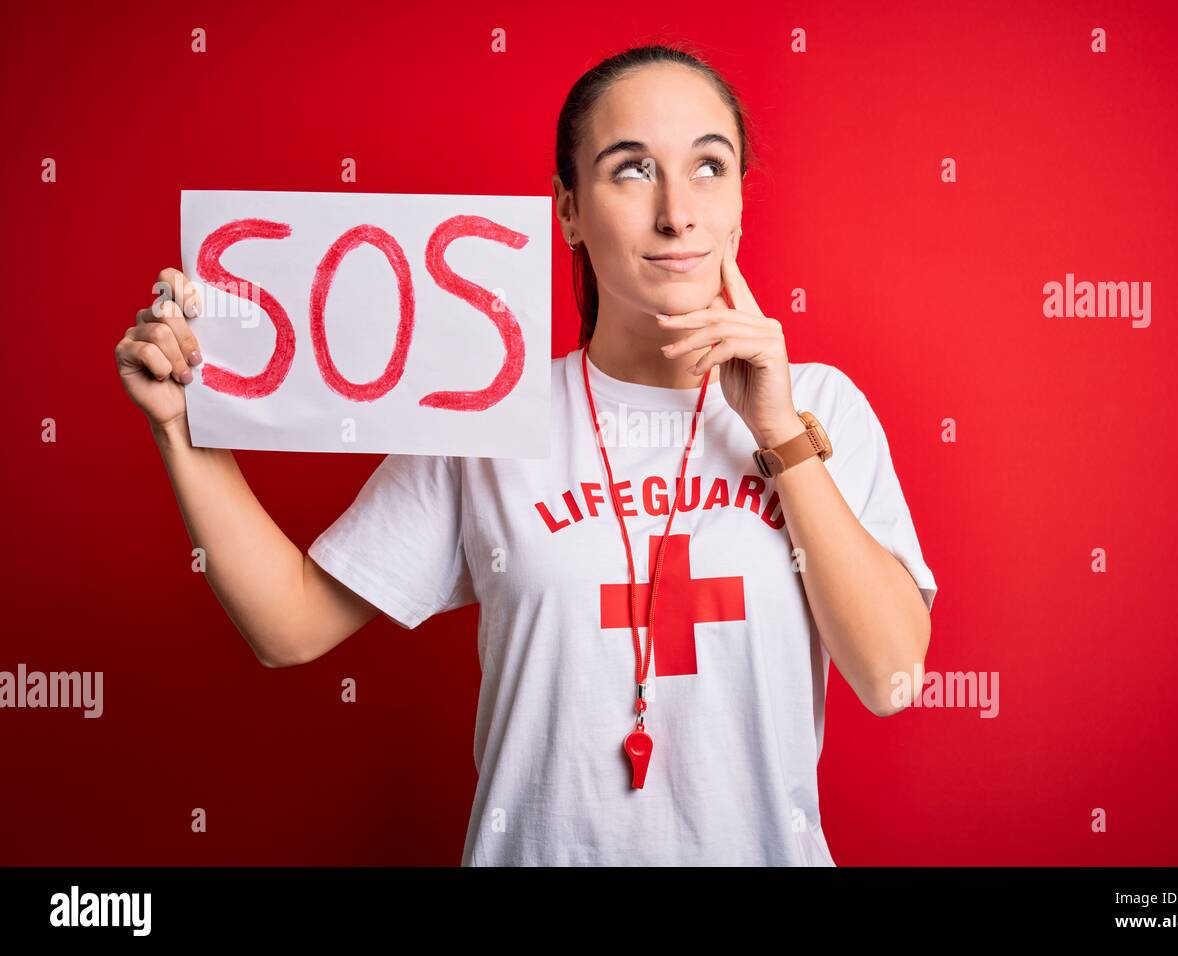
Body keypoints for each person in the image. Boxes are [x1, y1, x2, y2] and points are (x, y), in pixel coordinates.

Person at [114, 43, 937, 866]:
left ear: (739, 205)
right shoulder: (491, 409)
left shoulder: (819, 407)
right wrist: (182, 428)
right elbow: (287, 625)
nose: (677, 212)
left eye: (710, 167)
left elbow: (889, 673)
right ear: (567, 210)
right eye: (630, 170)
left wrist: (778, 433)